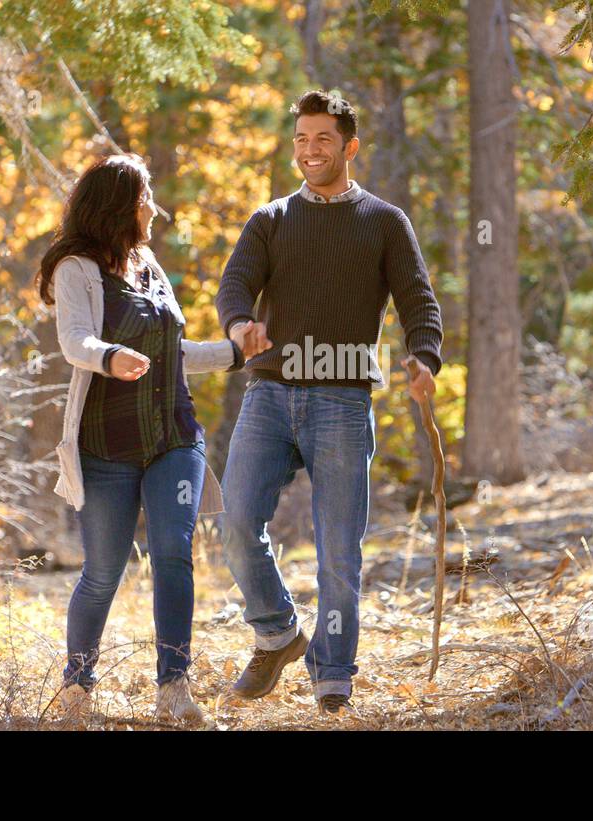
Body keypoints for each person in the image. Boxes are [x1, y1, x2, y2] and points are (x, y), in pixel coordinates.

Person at [215, 90, 443, 716]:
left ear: (350, 147)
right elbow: (235, 284)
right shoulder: (271, 219)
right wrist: (239, 324)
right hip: (269, 392)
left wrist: (424, 357)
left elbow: (418, 300)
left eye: (322, 139)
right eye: (301, 139)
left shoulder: (384, 222)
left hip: (342, 398)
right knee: (236, 523)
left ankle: (333, 670)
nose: (310, 150)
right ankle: (277, 633)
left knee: (339, 551)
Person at [38, 152, 244, 726]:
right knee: (103, 572)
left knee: (174, 553)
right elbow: (75, 341)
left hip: (173, 436)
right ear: (119, 206)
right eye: (145, 197)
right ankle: (77, 688)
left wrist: (234, 354)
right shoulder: (76, 269)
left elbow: (172, 352)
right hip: (105, 446)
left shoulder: (149, 265)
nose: (154, 207)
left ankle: (173, 688)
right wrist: (110, 357)